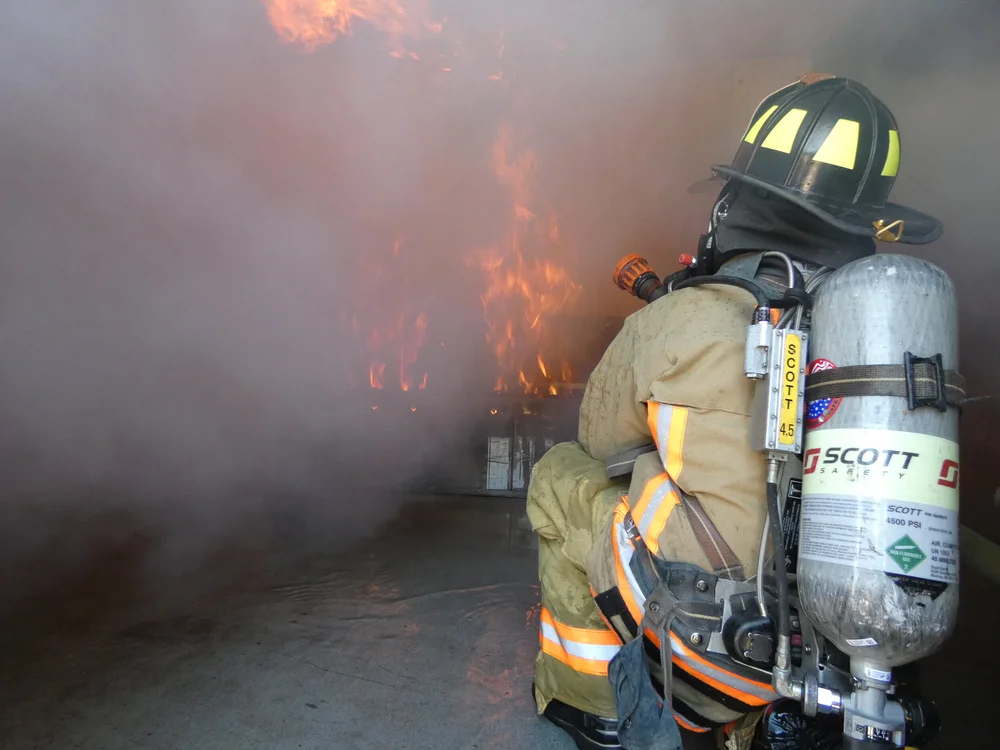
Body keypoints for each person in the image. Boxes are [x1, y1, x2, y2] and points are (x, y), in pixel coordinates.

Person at [526, 74, 943, 750]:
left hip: (710, 648)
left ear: (740, 200)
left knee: (560, 474)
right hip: (857, 655)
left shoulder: (683, 316)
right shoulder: (888, 336)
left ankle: (591, 703)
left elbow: (598, 438)